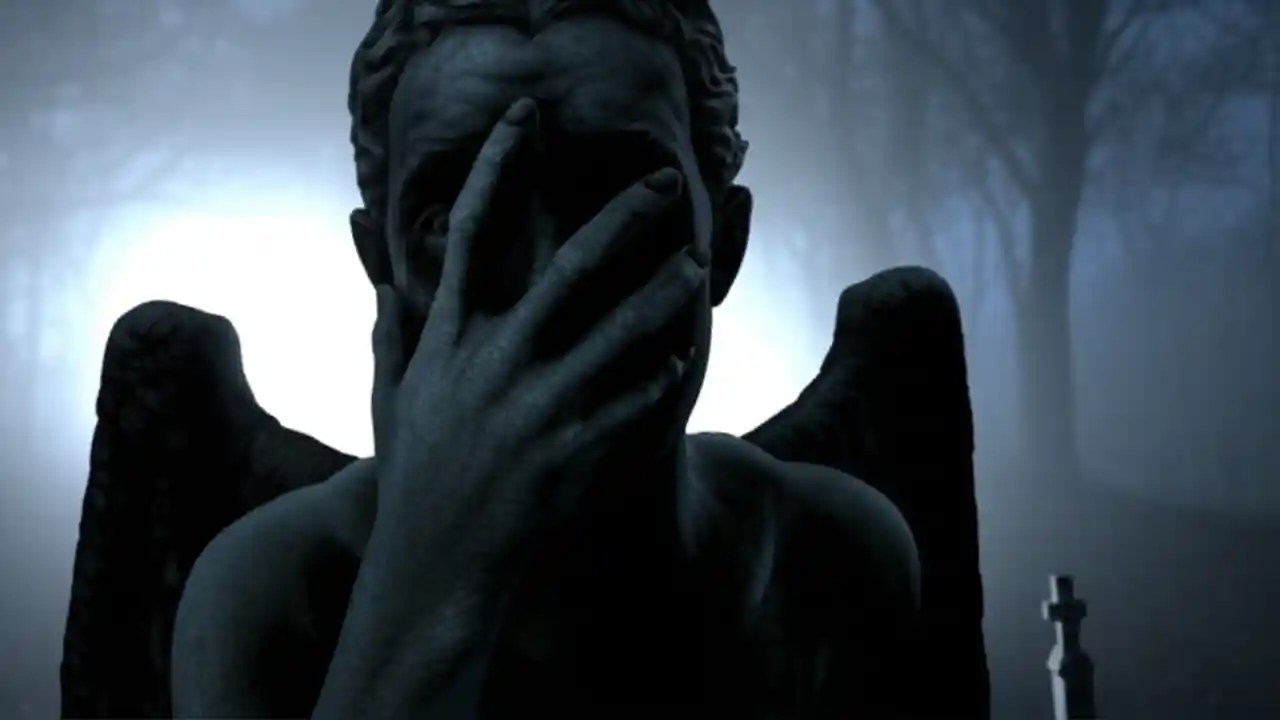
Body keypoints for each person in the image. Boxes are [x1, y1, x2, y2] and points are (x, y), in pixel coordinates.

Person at [170, 1, 920, 716]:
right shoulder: (267, 596)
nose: (547, 282)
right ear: (383, 270)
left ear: (722, 247)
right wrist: (428, 586)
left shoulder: (829, 561)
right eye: (453, 219)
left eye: (620, 197)